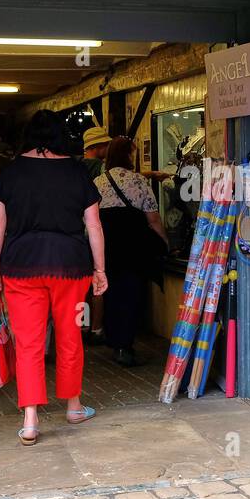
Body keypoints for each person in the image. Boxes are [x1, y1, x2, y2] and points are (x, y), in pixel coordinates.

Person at [0, 110, 107, 445]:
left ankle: (30, 419)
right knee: (70, 336)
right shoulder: (76, 171)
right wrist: (100, 270)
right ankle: (73, 406)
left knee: (29, 343)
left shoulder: (10, 173)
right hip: (71, 268)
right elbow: (94, 226)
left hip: (21, 268)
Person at [95, 136, 168, 367]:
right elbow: (153, 218)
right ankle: (125, 345)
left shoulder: (98, 182)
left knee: (112, 292)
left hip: (107, 246)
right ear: (127, 155)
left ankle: (114, 339)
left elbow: (90, 218)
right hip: (133, 246)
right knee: (132, 293)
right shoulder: (138, 182)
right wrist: (164, 241)